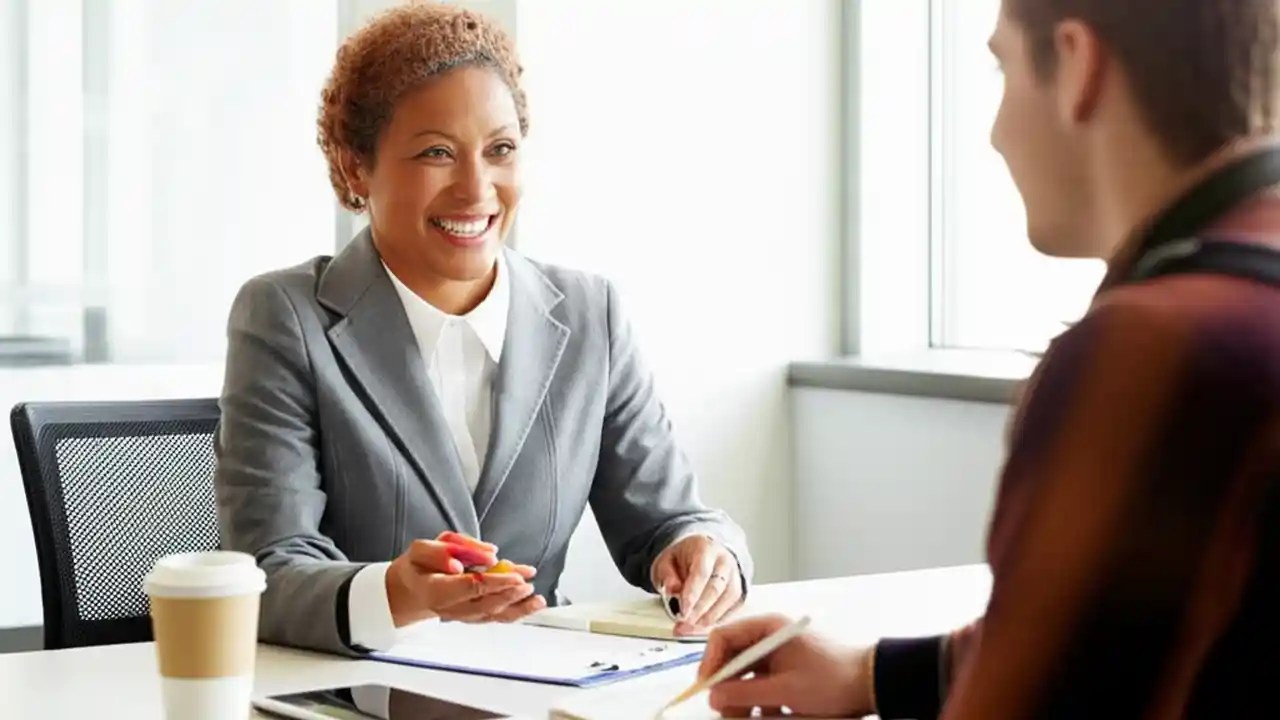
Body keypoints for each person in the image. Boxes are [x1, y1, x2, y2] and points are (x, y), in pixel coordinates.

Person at [700, 1, 1280, 717]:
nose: (996, 133)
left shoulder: (1152, 354)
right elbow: (1113, 645)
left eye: (1002, 68)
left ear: (1076, 63)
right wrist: (876, 676)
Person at [214, 2, 751, 656]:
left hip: (539, 687)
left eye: (500, 150)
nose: (476, 189)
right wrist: (395, 594)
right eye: (436, 152)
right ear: (358, 167)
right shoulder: (285, 317)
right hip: (355, 690)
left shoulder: (591, 315)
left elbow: (667, 519)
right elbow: (265, 570)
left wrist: (704, 551)